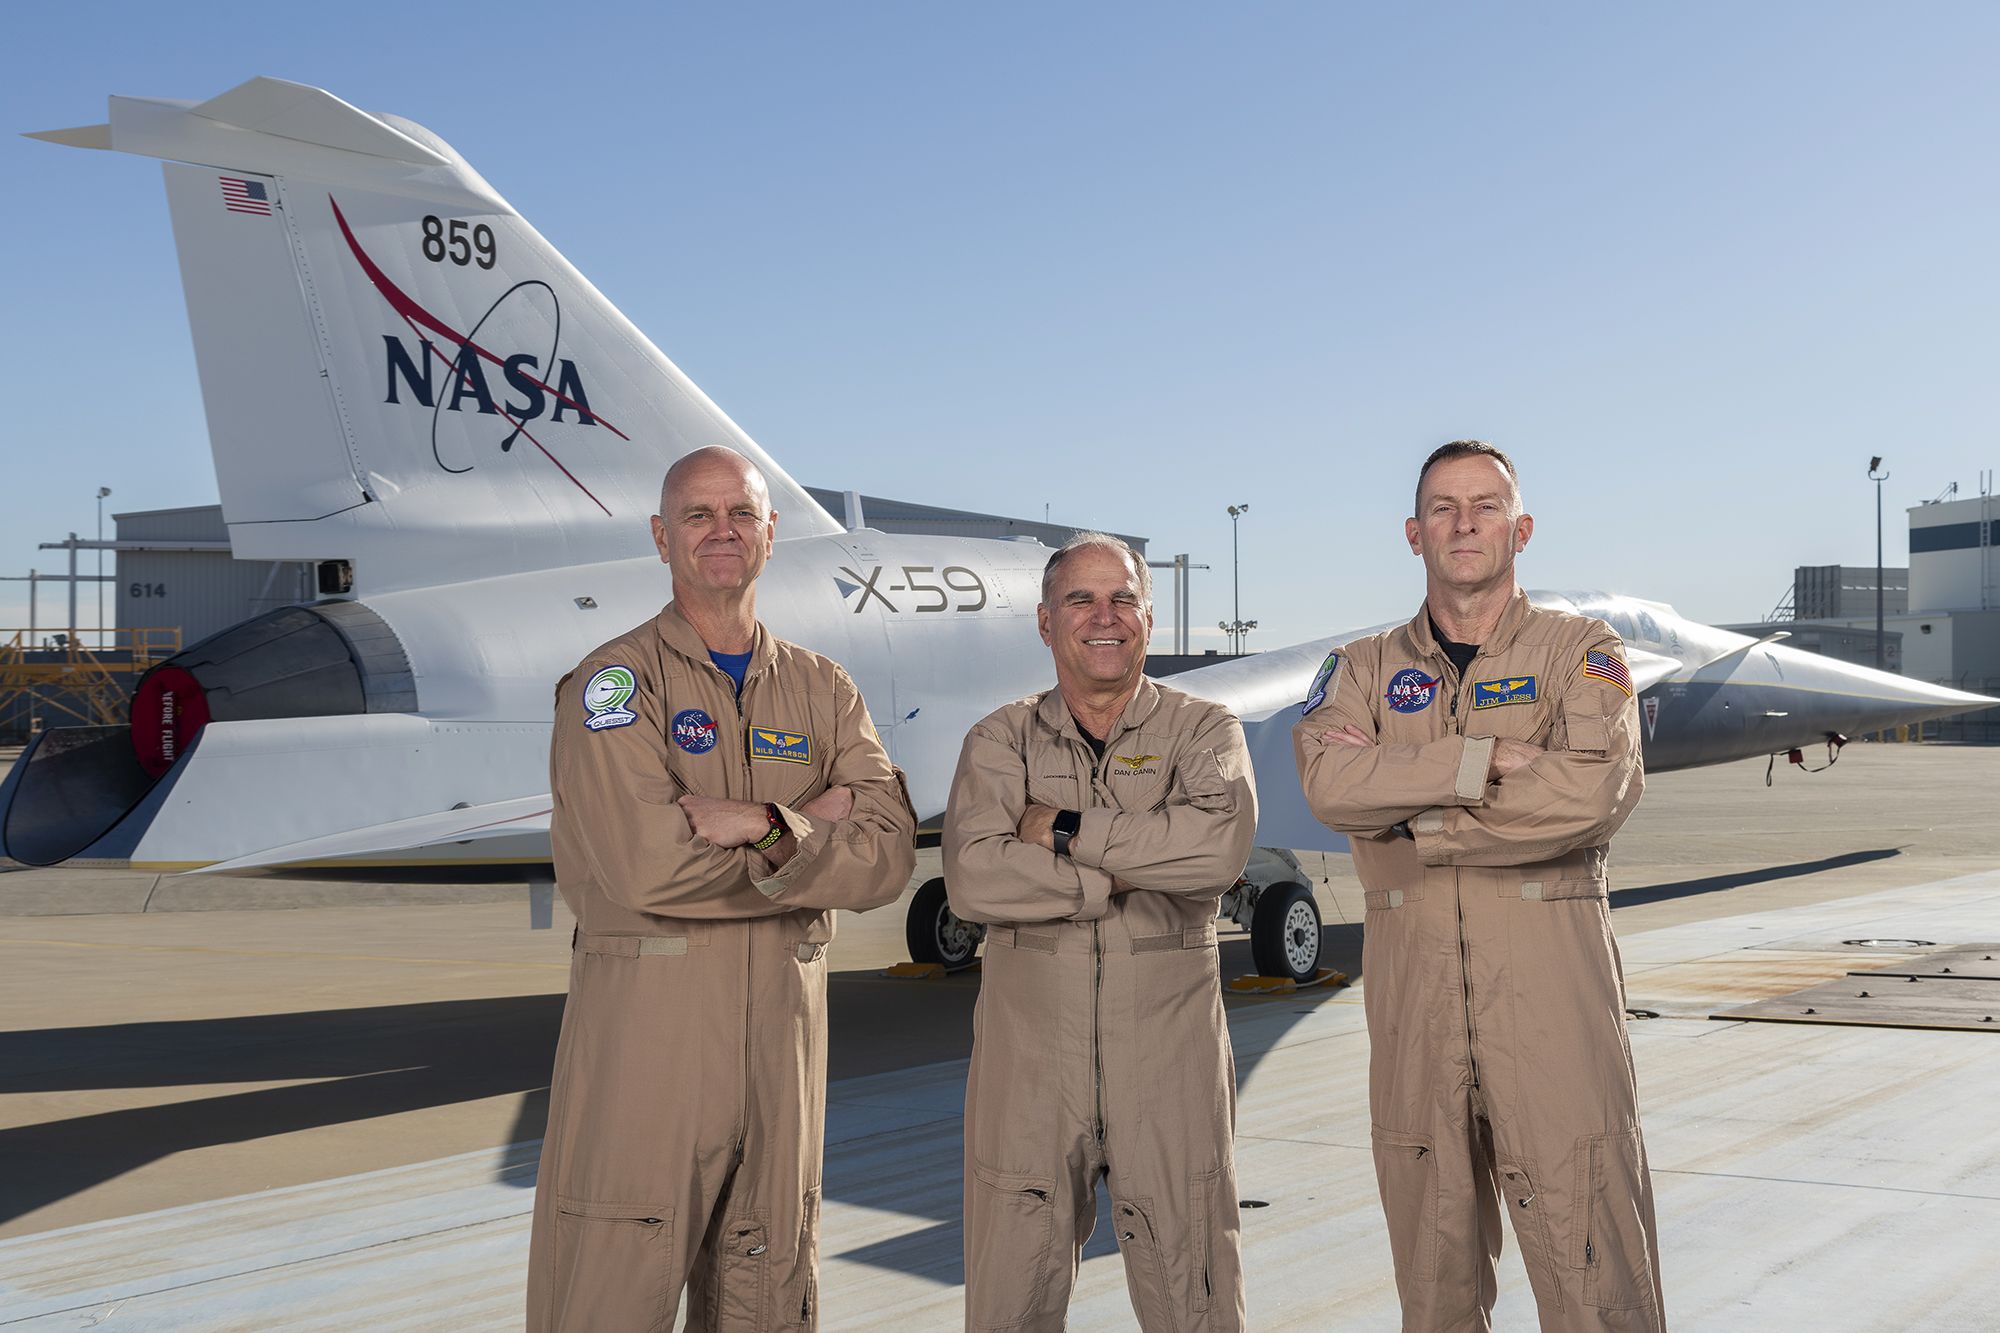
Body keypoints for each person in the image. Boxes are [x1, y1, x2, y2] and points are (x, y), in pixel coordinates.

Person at [526, 445, 916, 1332]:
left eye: (741, 513)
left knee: (769, 1295)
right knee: (607, 1293)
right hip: (648, 1058)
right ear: (662, 537)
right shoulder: (614, 687)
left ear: (772, 534)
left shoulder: (824, 689)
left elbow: (890, 855)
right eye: (698, 516)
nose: (722, 531)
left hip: (782, 1058)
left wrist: (764, 825)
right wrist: (815, 828)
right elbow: (647, 867)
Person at [1293, 440, 1664, 1332]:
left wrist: (1412, 809)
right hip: (1415, 1021)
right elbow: (1329, 788)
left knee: (1595, 1275)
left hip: (1553, 1019)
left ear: (1520, 528)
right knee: (1434, 1284)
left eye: (1485, 505)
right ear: (1413, 533)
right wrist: (1486, 761)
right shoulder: (1361, 667)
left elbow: (1592, 792)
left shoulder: (1582, 650)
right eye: (1445, 508)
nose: (1465, 524)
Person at [943, 532, 1258, 1332]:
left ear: (1149, 617)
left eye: (1121, 599)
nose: (1103, 616)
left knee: (1197, 1299)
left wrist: (1061, 830)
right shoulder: (998, 739)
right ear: (1047, 624)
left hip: (1169, 1064)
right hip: (1028, 1071)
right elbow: (975, 878)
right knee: (1011, 1299)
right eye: (1081, 600)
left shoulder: (1205, 729)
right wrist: (1113, 873)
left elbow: (1215, 850)